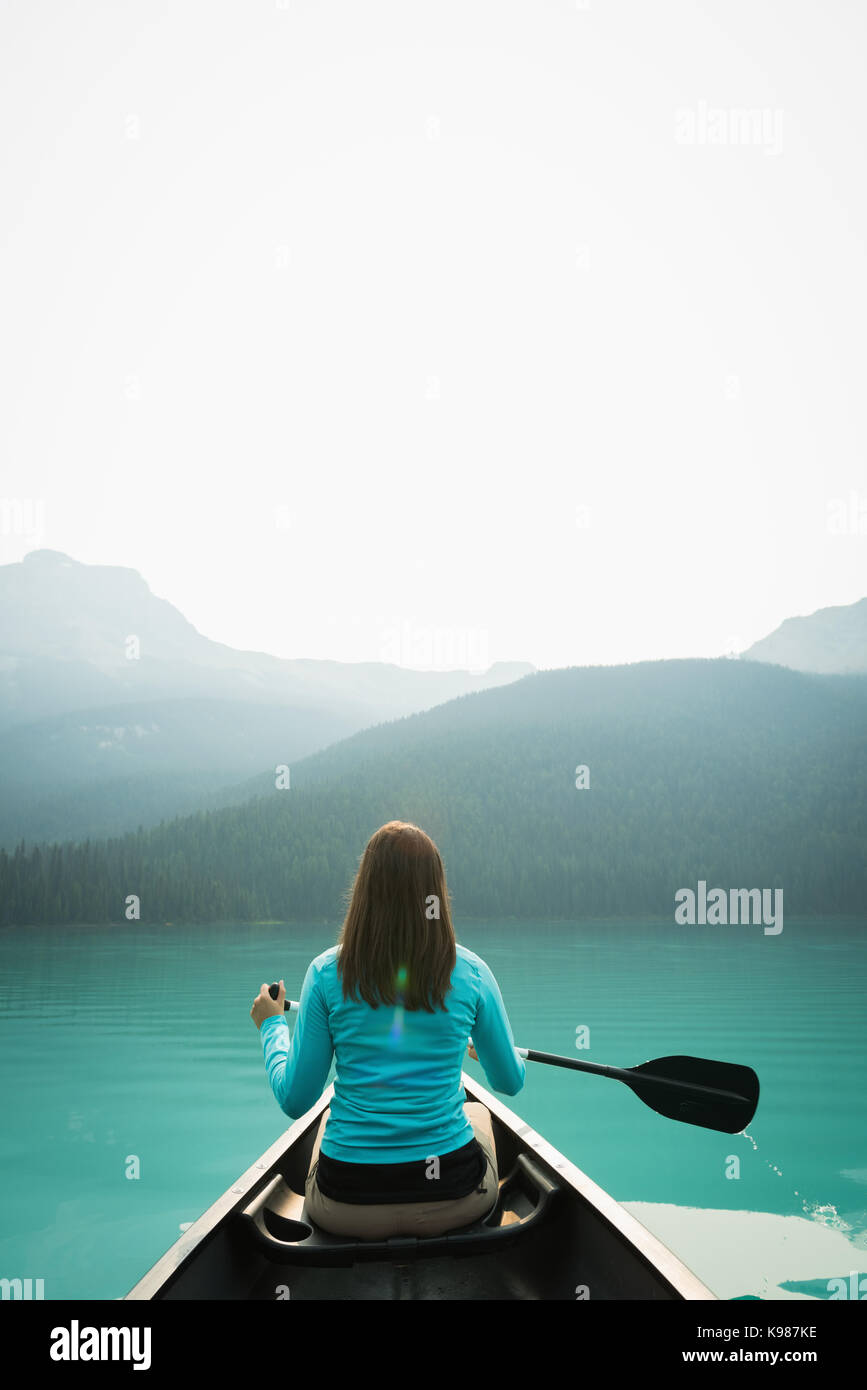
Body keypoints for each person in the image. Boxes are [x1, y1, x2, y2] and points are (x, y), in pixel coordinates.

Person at [250, 819, 525, 1239]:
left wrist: (272, 1024)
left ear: (365, 890)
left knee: (328, 1123)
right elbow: (509, 1081)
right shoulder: (472, 972)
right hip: (453, 1197)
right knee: (478, 1112)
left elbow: (295, 1099)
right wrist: (485, 1049)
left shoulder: (325, 974)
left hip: (345, 1203)